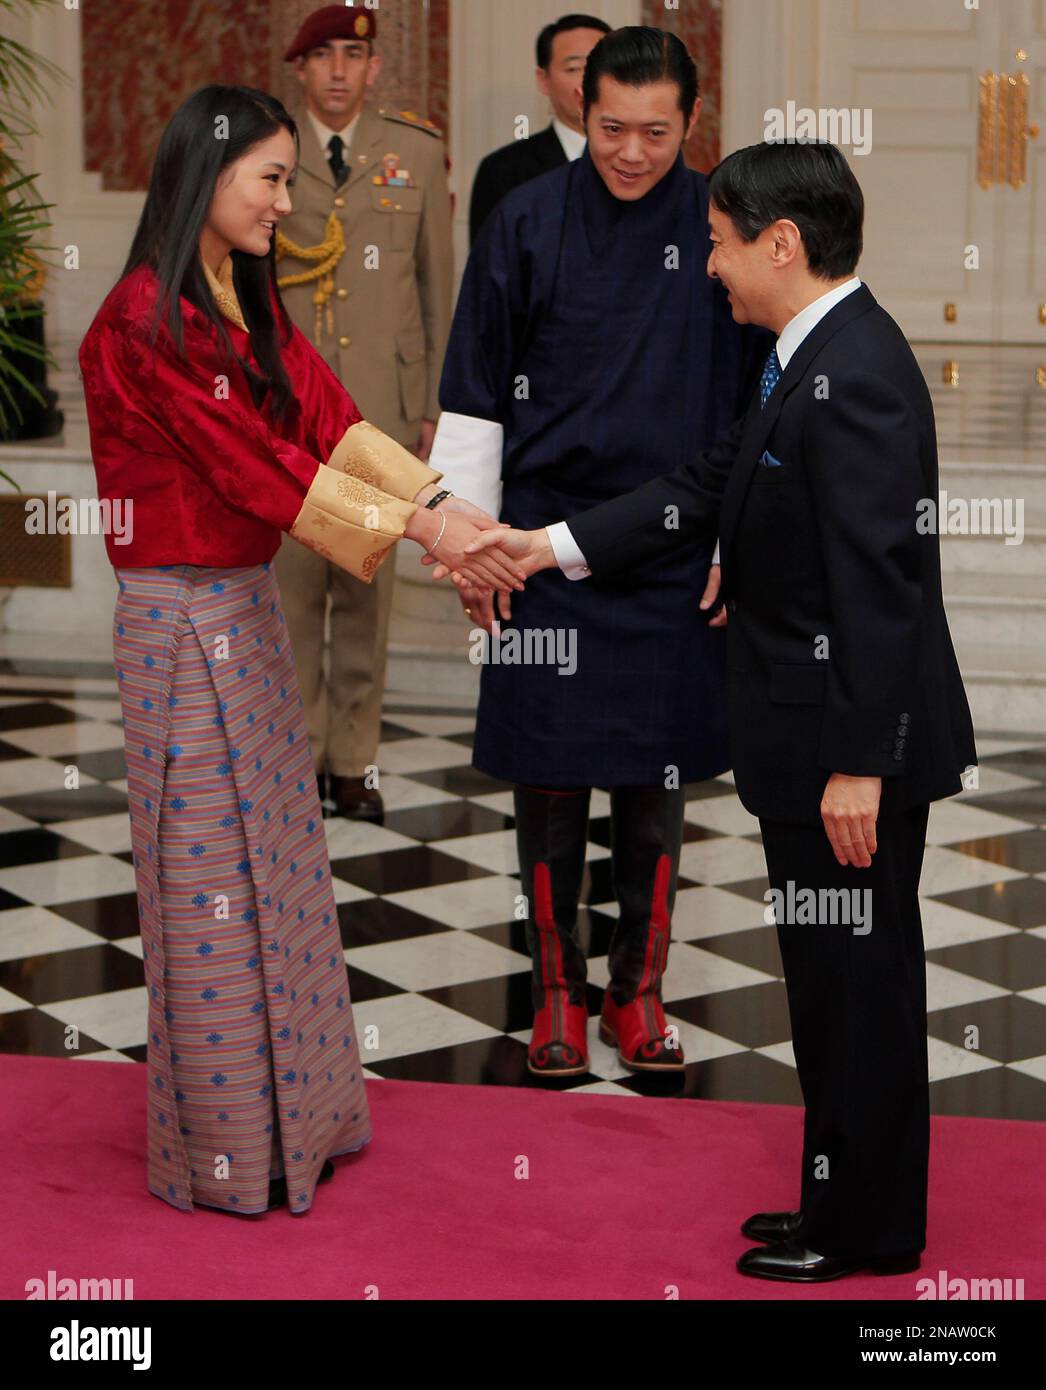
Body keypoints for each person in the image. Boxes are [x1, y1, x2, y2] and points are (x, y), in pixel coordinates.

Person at [462, 141, 978, 1281]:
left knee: (861, 992)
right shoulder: (809, 353)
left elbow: (881, 587)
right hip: (808, 739)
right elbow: (709, 484)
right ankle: (832, 1203)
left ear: (779, 243)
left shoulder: (859, 373)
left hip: (846, 754)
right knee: (828, 988)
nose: (708, 266)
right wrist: (541, 545)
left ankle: (867, 1231)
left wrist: (858, 763)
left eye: (719, 241)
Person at [78, 85, 521, 1217]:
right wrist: (428, 533)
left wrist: (441, 503)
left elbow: (327, 415)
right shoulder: (141, 320)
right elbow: (252, 469)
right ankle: (230, 1150)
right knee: (209, 884)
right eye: (270, 179)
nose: (289, 200)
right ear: (204, 179)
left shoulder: (239, 294)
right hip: (179, 624)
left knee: (276, 874)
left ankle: (298, 1125)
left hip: (243, 615)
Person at [428, 28, 769, 1080]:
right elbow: (473, 391)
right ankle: (557, 994)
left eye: (653, 132)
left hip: (673, 545)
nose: (628, 151)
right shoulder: (525, 220)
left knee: (654, 785)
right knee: (546, 779)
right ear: (580, 103)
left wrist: (737, 538)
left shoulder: (725, 227)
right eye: (609, 126)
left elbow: (762, 398)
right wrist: (472, 551)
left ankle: (638, 988)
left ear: (690, 122)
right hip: (535, 548)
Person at [273, 5, 454, 822]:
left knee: (361, 593)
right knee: (292, 590)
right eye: (325, 57)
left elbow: (433, 289)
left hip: (375, 413)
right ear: (300, 70)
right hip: (288, 412)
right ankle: (298, 756)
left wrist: (431, 405)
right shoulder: (268, 154)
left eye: (355, 54)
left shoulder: (412, 152)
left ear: (375, 68)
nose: (341, 70)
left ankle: (355, 760)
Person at [469, 12, 611, 244]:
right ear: (544, 80)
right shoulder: (503, 171)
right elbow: (490, 272)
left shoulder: (646, 159)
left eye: (601, 66)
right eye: (574, 68)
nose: (590, 80)